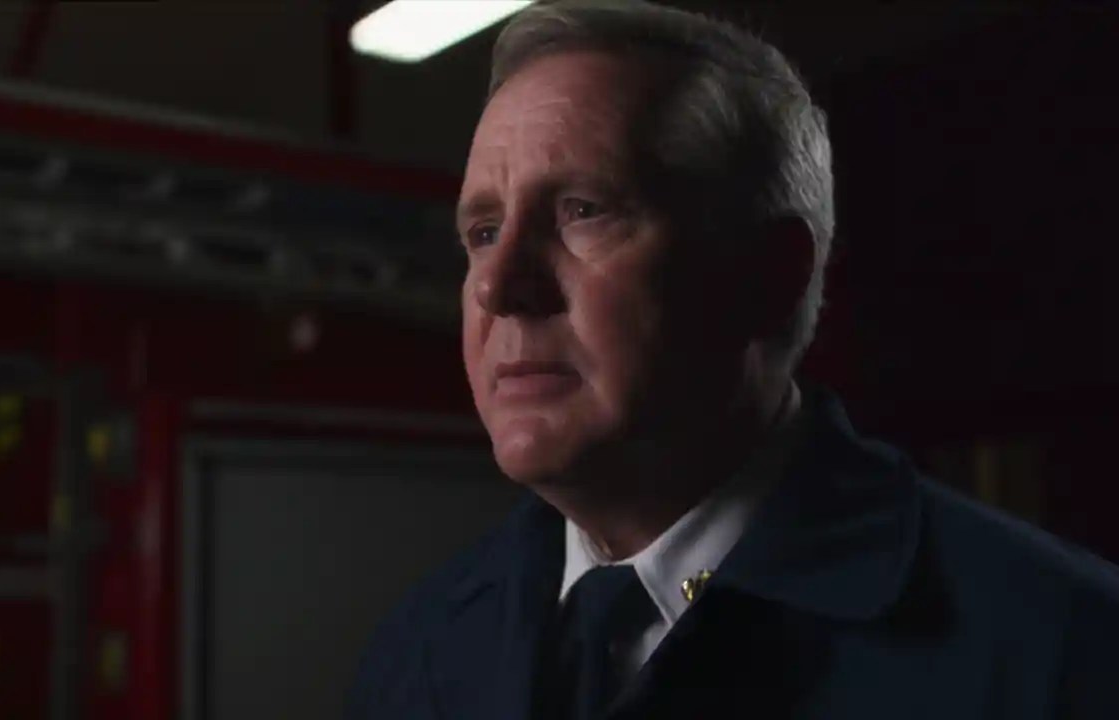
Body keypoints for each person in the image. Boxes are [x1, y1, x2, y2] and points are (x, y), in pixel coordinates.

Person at [346, 1, 1119, 718]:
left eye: (583, 211)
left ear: (769, 277)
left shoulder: (1063, 653)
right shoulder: (417, 651)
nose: (499, 287)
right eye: (482, 232)